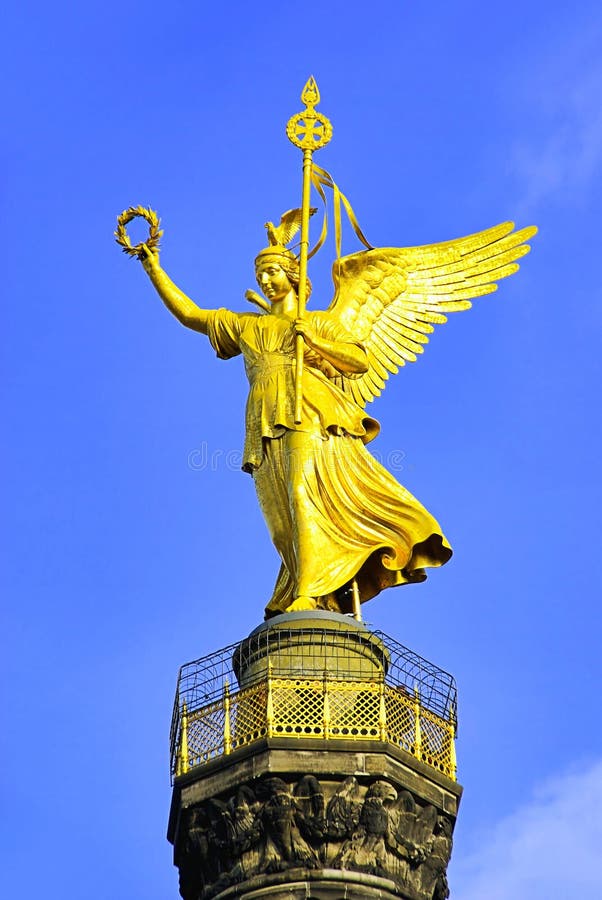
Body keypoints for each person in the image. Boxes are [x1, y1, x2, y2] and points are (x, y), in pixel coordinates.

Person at [139, 239, 451, 618]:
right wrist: (153, 266)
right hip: (263, 417)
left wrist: (315, 340)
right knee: (280, 517)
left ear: (292, 275)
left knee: (302, 493)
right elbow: (191, 314)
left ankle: (308, 590)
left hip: (310, 409)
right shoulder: (247, 325)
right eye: (260, 275)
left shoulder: (318, 321)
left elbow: (357, 360)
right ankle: (309, 587)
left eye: (272, 272)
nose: (266, 280)